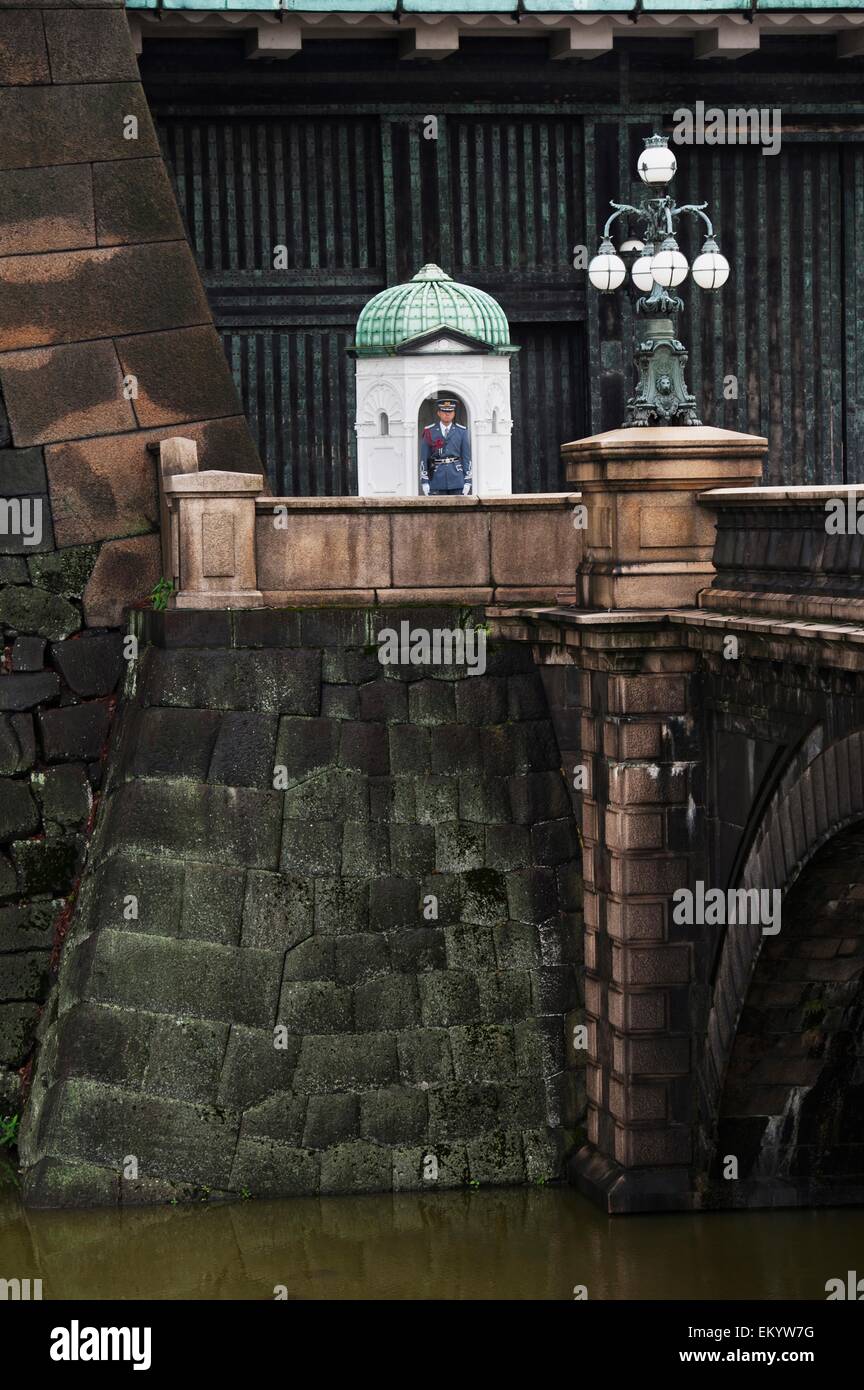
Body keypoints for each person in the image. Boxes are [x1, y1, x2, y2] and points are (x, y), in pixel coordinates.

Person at [420, 400, 472, 496]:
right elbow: (424, 458)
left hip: (457, 479)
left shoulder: (461, 432)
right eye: (444, 412)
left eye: (450, 412)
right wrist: (425, 481)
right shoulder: (429, 431)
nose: (447, 414)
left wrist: (468, 481)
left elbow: (466, 458)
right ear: (439, 413)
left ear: (454, 413)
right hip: (436, 479)